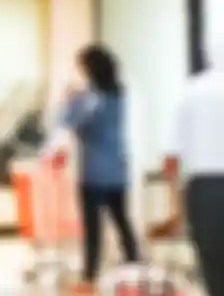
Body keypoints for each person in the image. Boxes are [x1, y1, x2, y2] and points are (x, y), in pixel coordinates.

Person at [60, 45, 139, 292]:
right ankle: (134, 267)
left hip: (93, 172)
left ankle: (89, 277)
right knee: (122, 221)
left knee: (92, 228)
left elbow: (69, 123)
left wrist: (69, 99)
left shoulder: (88, 99)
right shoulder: (120, 95)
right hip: (117, 169)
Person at [162, 58, 224, 296]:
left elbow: (171, 157)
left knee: (212, 264)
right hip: (203, 185)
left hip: (204, 190)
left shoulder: (192, 91)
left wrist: (174, 207)